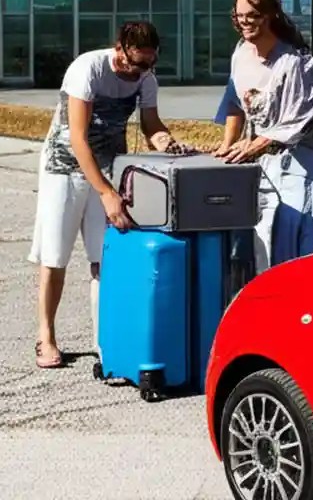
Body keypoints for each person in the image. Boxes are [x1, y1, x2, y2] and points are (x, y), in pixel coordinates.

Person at [29, 20, 193, 369]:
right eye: (136, 64)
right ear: (119, 50)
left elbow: (151, 124)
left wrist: (164, 140)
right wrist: (105, 192)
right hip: (64, 167)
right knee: (55, 255)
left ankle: (107, 339)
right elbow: (78, 137)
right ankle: (46, 336)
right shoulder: (88, 68)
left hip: (111, 166)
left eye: (150, 64)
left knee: (105, 258)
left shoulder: (146, 78)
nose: (142, 72)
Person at [213, 0, 313, 273]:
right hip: (267, 167)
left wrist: (254, 146)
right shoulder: (242, 53)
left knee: (298, 248)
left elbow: (296, 123)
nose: (245, 22)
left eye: (252, 16)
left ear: (269, 16)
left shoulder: (296, 64)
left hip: (302, 170)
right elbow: (235, 101)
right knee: (265, 244)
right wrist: (227, 145)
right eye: (240, 16)